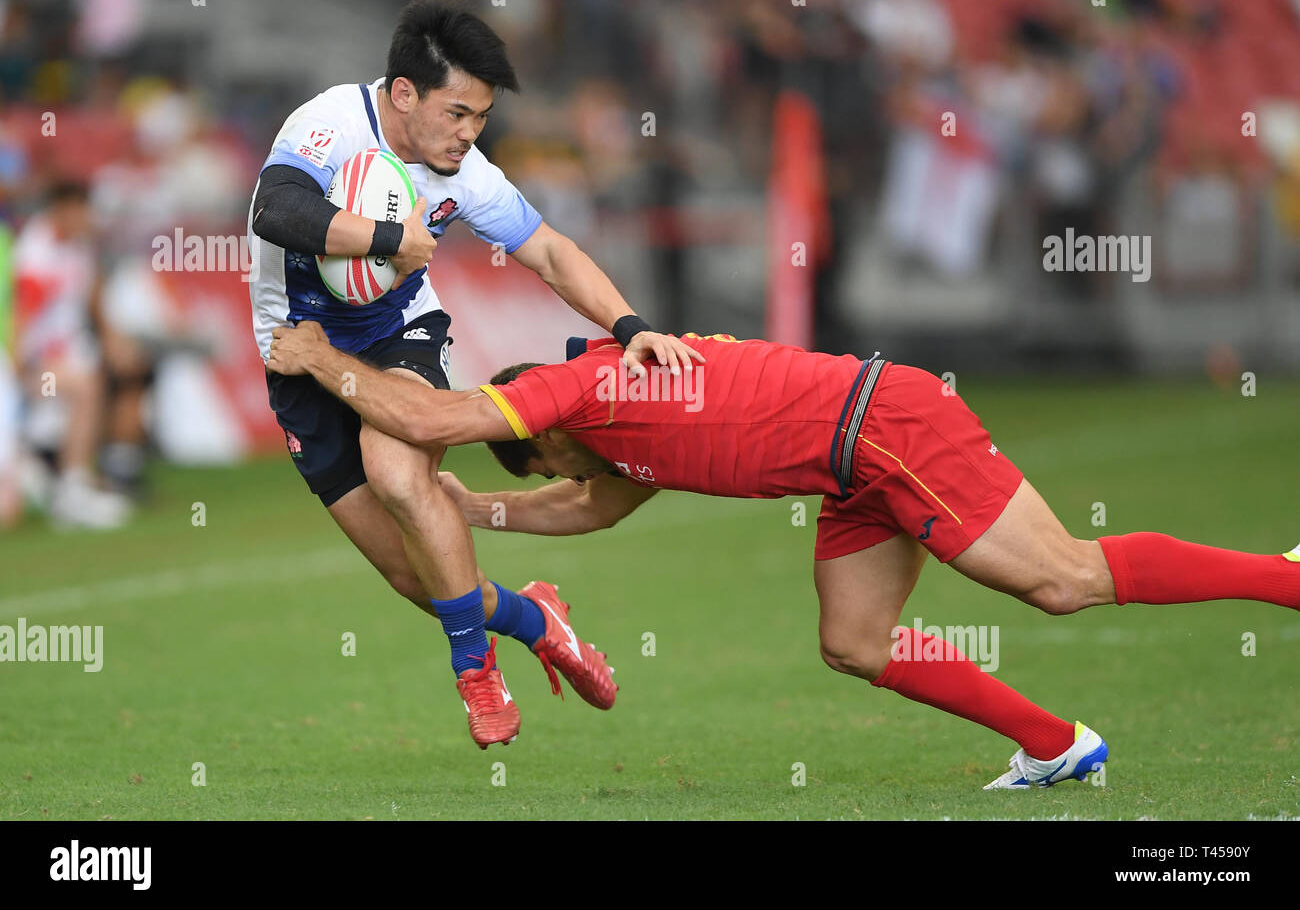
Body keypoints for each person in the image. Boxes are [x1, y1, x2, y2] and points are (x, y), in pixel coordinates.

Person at [265, 322, 1300, 788]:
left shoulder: (580, 388)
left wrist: (324, 361)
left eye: (536, 461)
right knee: (853, 640)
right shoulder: (619, 427)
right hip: (848, 466)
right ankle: (1055, 742)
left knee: (1060, 579)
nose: (558, 468)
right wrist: (472, 513)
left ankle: (1288, 577)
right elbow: (594, 510)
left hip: (884, 424)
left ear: (542, 434)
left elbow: (439, 412)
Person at [247, 0, 702, 749]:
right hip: (296, 353)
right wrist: (392, 238)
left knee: (397, 475)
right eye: (456, 113)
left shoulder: (471, 175)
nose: (468, 133)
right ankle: (536, 618)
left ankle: (475, 671)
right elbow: (276, 210)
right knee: (414, 577)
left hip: (399, 334)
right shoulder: (326, 125)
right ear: (403, 94)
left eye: (480, 118)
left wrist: (631, 327)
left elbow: (552, 252)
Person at [13, 180, 131, 529]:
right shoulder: (36, 252)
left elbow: (92, 292)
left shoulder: (80, 246)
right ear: (61, 211)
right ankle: (72, 487)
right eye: (80, 210)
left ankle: (103, 471)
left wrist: (111, 337)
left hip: (70, 350)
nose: (86, 218)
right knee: (86, 387)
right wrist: (17, 370)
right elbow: (21, 313)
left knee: (121, 370)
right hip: (36, 359)